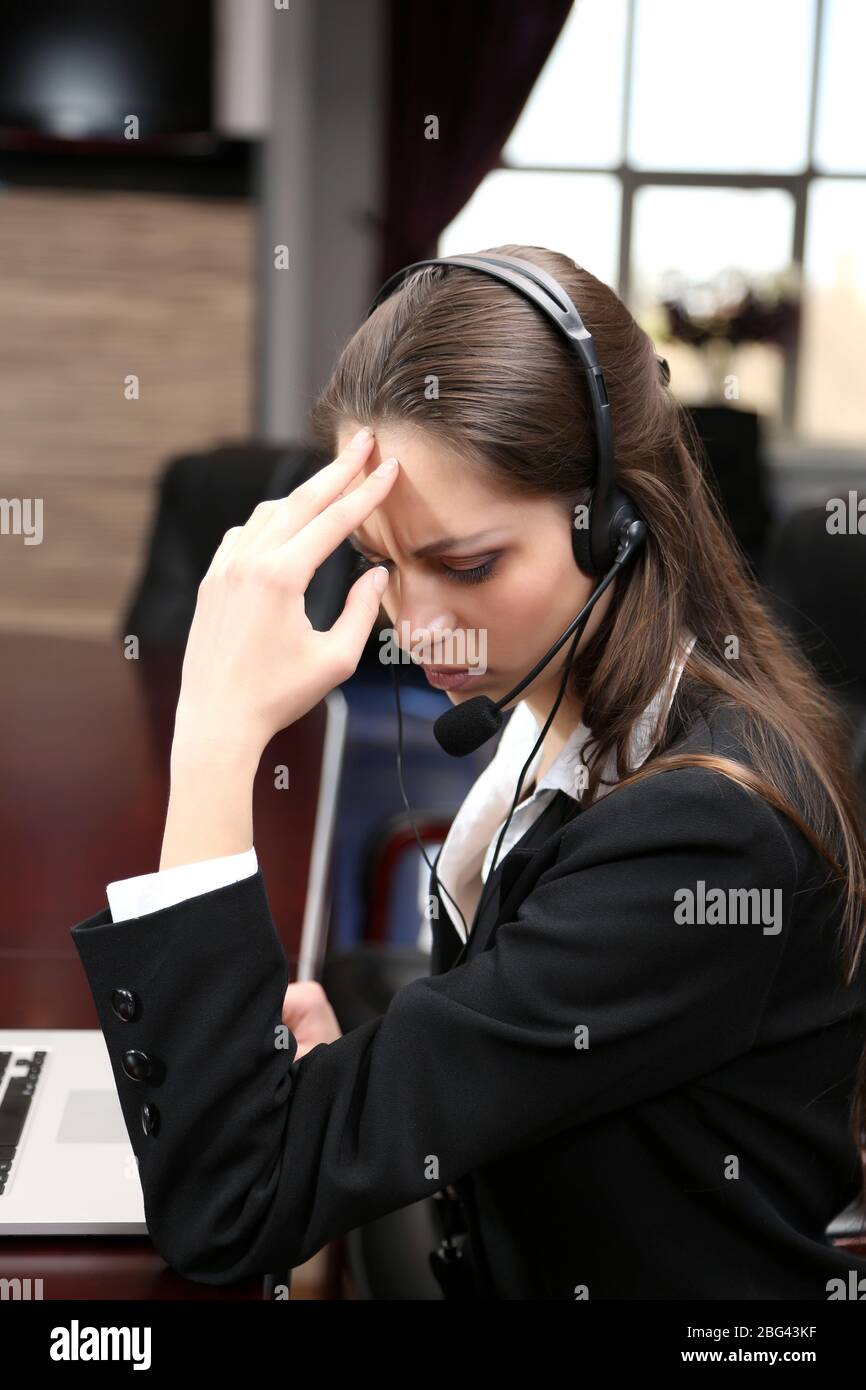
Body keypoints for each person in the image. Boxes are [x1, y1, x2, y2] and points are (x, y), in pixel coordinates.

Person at [69, 245, 866, 1300]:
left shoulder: (699, 834)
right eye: (383, 564)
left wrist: (213, 735)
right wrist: (355, 1093)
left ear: (617, 521)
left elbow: (228, 1205)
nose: (419, 627)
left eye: (469, 563)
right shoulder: (581, 721)